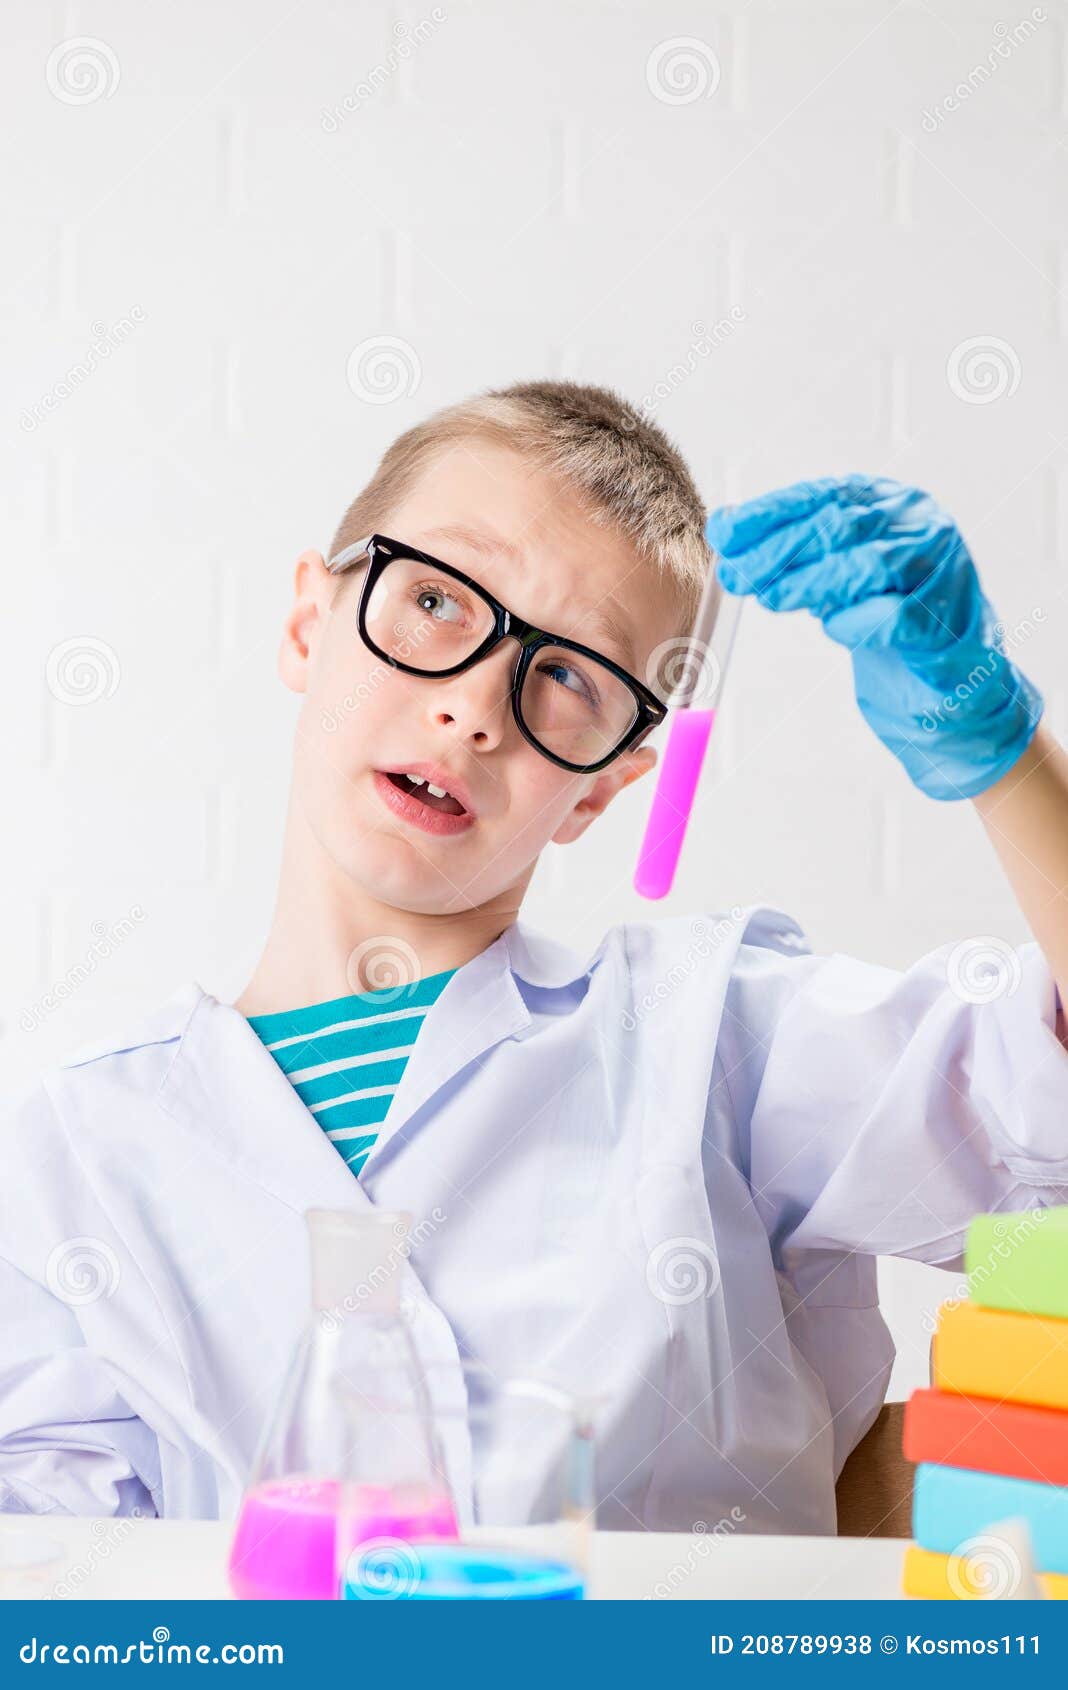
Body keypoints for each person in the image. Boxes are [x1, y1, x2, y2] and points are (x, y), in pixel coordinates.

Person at [2, 380, 1067, 1535]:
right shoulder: (73, 1156)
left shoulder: (718, 1039)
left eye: (568, 675)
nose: (474, 709)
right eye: (434, 601)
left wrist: (1000, 755)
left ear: (606, 783)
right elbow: (68, 1591)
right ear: (310, 622)